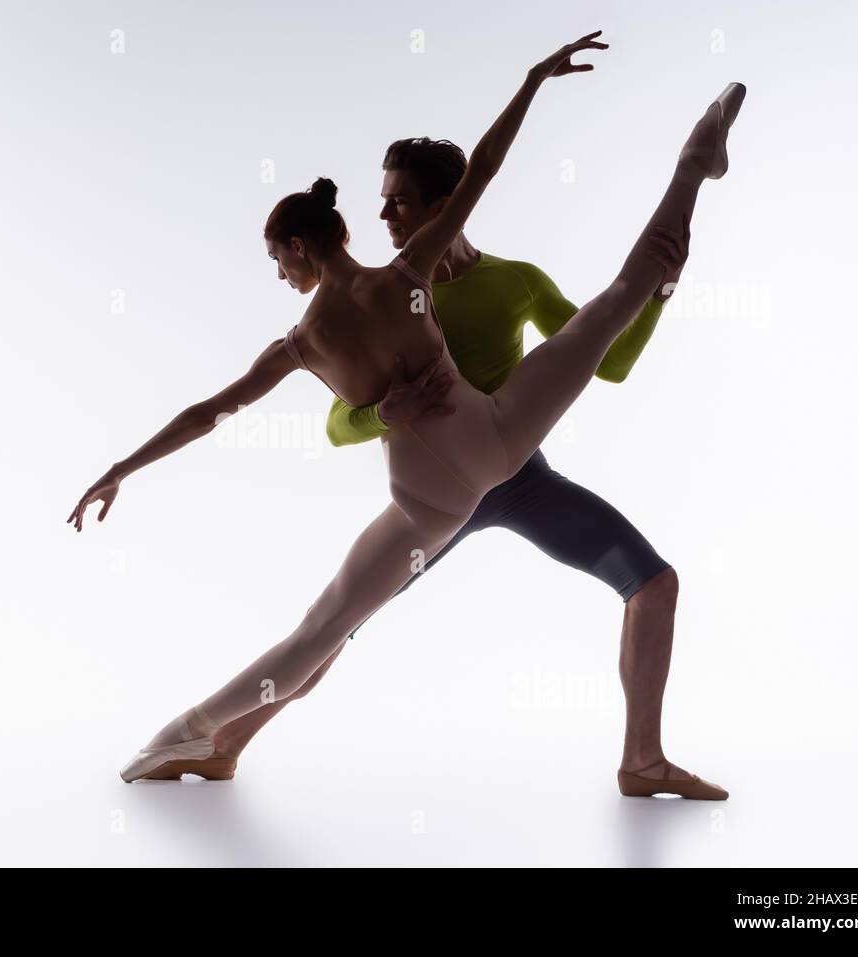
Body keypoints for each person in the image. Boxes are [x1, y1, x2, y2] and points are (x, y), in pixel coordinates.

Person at [69, 31, 742, 800]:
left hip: (432, 499)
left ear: (297, 247)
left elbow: (210, 412)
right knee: (624, 292)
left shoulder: (303, 342)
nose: (277, 274)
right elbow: (488, 170)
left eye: (275, 260)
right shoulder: (407, 276)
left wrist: (122, 467)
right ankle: (693, 165)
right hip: (497, 436)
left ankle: (185, 730)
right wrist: (532, 81)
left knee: (319, 630)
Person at [201, 137, 698, 796]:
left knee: (653, 583)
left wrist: (656, 293)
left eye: (397, 202)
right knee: (334, 628)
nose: (382, 220)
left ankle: (642, 760)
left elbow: (609, 361)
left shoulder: (514, 281)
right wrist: (387, 411)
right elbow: (335, 425)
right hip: (433, 507)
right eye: (382, 204)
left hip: (521, 481)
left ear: (444, 206)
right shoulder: (387, 294)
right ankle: (225, 742)